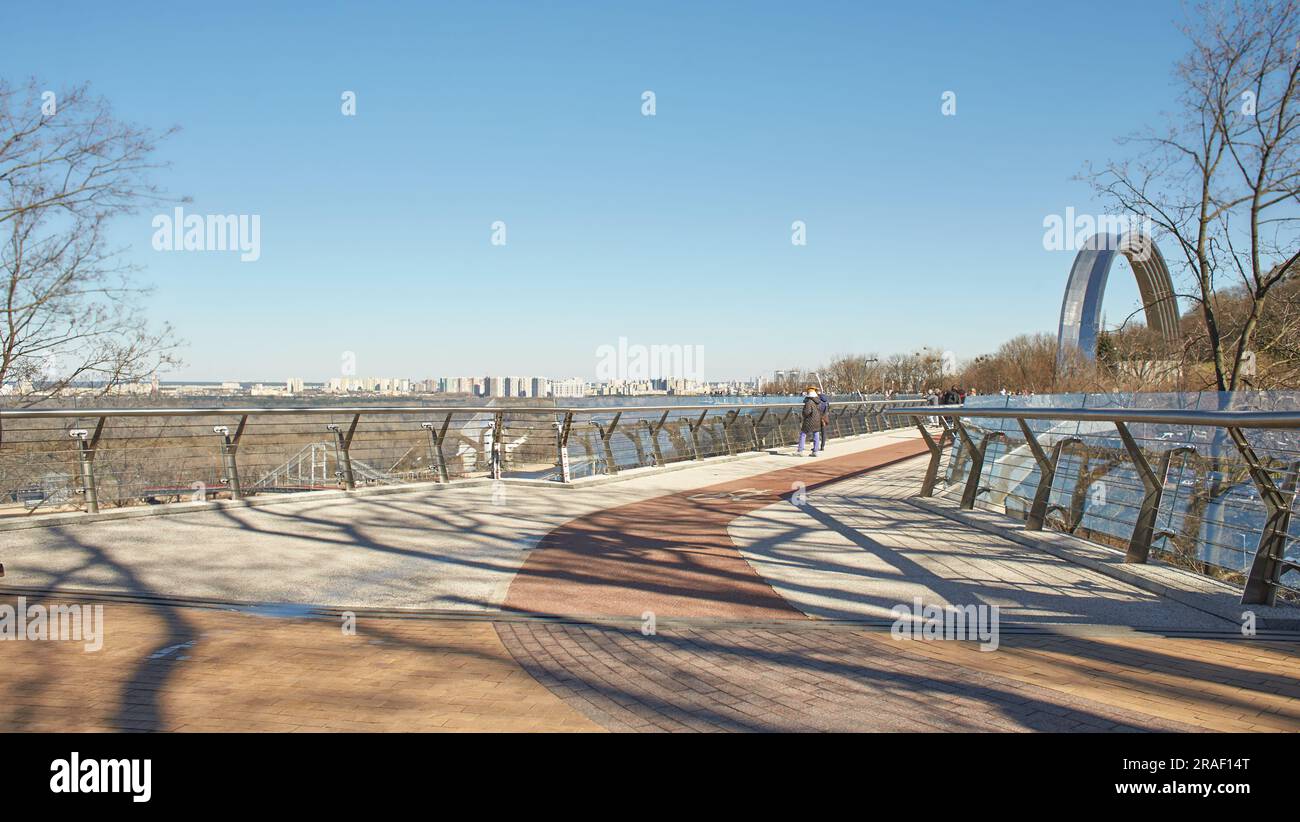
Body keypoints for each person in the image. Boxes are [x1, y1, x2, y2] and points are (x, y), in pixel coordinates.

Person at [797, 387, 822, 456]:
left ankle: (800, 450)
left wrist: (803, 413)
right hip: (817, 420)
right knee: (816, 434)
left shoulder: (809, 402)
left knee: (803, 434)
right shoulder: (818, 401)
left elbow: (806, 412)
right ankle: (815, 451)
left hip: (809, 420)